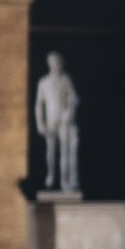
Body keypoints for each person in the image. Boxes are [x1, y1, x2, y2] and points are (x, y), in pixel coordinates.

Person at [33, 51, 81, 197]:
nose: (55, 65)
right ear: (49, 64)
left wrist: (69, 112)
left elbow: (75, 99)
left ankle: (65, 181)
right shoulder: (44, 82)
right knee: (50, 152)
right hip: (50, 120)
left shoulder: (65, 80)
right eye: (52, 62)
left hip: (63, 120)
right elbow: (38, 104)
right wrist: (40, 123)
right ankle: (50, 175)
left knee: (65, 151)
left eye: (57, 62)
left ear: (61, 64)